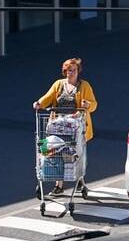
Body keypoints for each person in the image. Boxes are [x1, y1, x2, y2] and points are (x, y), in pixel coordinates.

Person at [34, 57, 97, 195]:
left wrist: (88, 105)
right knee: (56, 153)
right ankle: (59, 185)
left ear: (78, 71)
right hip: (58, 125)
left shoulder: (84, 86)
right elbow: (48, 97)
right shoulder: (58, 84)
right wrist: (39, 103)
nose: (71, 73)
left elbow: (94, 104)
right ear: (65, 71)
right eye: (68, 70)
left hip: (76, 126)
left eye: (74, 70)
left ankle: (80, 180)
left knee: (77, 153)